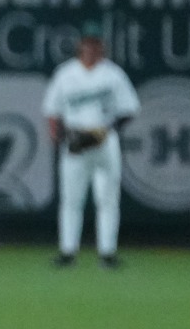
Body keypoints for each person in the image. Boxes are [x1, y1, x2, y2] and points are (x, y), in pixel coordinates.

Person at [40, 22, 140, 268]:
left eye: (96, 43)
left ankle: (107, 253)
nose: (91, 47)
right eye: (87, 42)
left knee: (107, 199)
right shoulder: (66, 73)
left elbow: (130, 109)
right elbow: (52, 109)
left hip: (105, 142)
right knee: (71, 199)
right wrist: (56, 135)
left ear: (102, 46)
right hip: (75, 139)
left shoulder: (113, 74)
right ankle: (67, 252)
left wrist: (107, 131)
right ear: (80, 45)